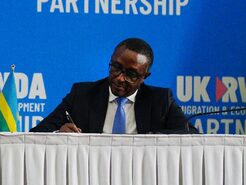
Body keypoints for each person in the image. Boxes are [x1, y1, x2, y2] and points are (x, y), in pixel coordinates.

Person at [31, 38, 198, 134]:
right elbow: (37, 133)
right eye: (116, 67)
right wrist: (59, 134)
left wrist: (150, 140)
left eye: (131, 74)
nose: (119, 78)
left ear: (144, 77)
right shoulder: (82, 94)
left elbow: (191, 134)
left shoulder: (160, 100)